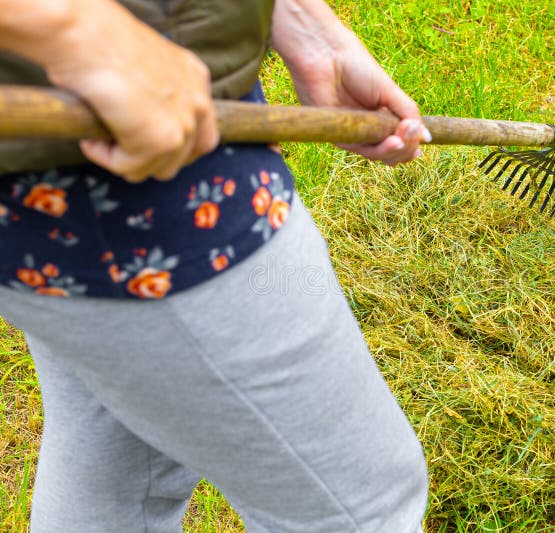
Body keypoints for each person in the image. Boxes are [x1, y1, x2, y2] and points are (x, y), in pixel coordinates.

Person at [0, 1, 430, 531]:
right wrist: (78, 29)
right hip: (120, 166)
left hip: (145, 98)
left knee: (126, 466)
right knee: (361, 507)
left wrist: (301, 22)